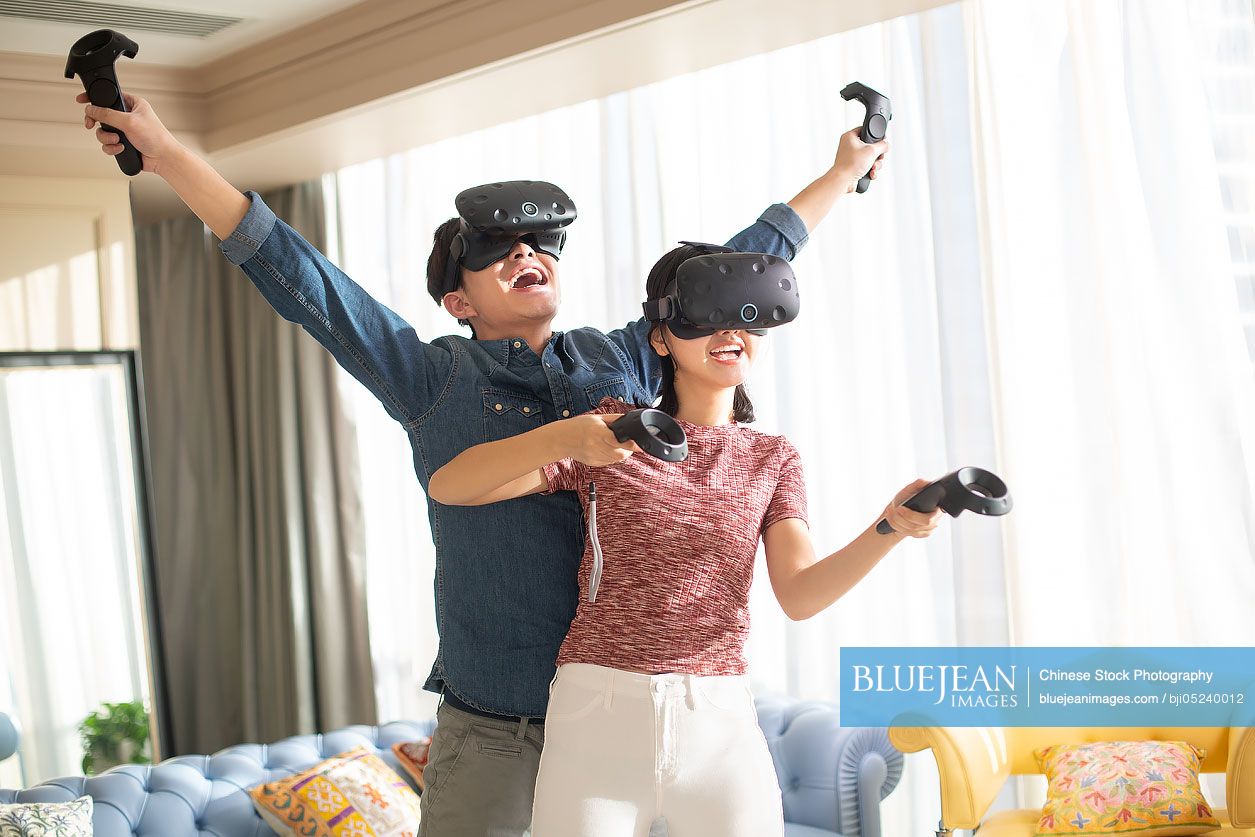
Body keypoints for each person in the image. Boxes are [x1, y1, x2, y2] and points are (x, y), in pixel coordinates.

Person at [78, 90, 889, 836]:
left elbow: (732, 271)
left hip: (624, 719)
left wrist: (839, 172)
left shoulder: (619, 359)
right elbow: (299, 275)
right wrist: (165, 151)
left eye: (537, 243)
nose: (524, 252)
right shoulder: (432, 376)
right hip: (499, 731)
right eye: (495, 250)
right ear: (458, 301)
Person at [428, 243, 942, 836]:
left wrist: (889, 528)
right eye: (705, 313)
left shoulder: (771, 458)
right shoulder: (612, 433)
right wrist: (564, 437)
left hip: (718, 725)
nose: (728, 332)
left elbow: (800, 594)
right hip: (596, 719)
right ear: (661, 337)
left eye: (743, 314)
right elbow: (450, 486)